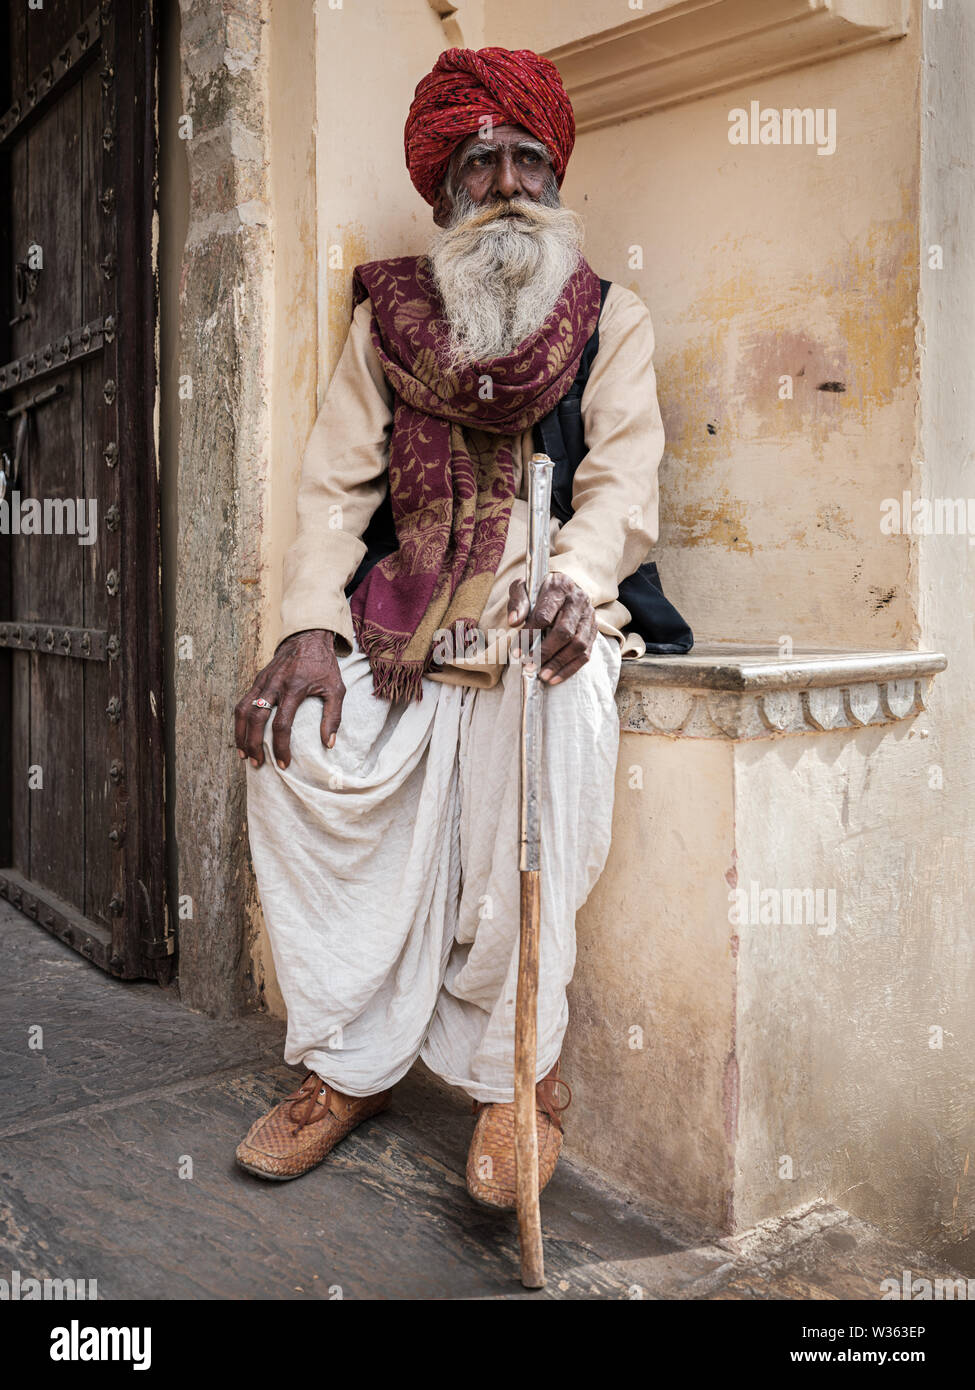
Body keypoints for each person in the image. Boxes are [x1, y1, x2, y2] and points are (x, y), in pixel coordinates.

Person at [233, 46, 665, 1207]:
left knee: (556, 726)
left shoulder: (609, 320)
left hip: (542, 612)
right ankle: (349, 1065)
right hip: (410, 616)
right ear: (444, 192)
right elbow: (335, 492)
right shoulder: (389, 322)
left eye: (531, 159)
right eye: (483, 163)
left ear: (558, 178)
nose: (511, 182)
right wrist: (308, 626)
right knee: (294, 750)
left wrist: (575, 575)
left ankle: (514, 1077)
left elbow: (623, 488)